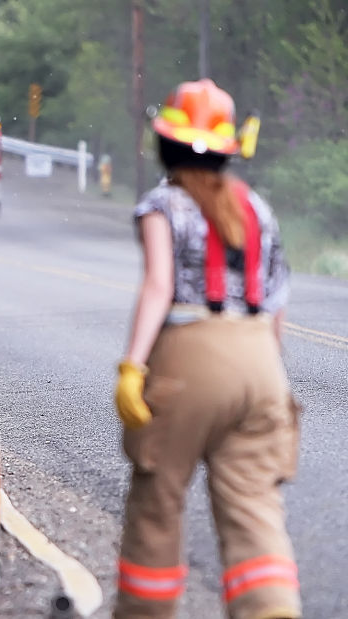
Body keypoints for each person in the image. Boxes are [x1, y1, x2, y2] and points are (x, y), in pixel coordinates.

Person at [113, 79, 301, 619]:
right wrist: (267, 372)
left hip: (189, 357)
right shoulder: (257, 209)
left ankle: (145, 612)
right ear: (228, 147)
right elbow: (276, 299)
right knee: (254, 504)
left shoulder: (161, 204)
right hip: (260, 358)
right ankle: (271, 607)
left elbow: (158, 287)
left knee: (159, 499)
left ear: (165, 143)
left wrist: (133, 365)